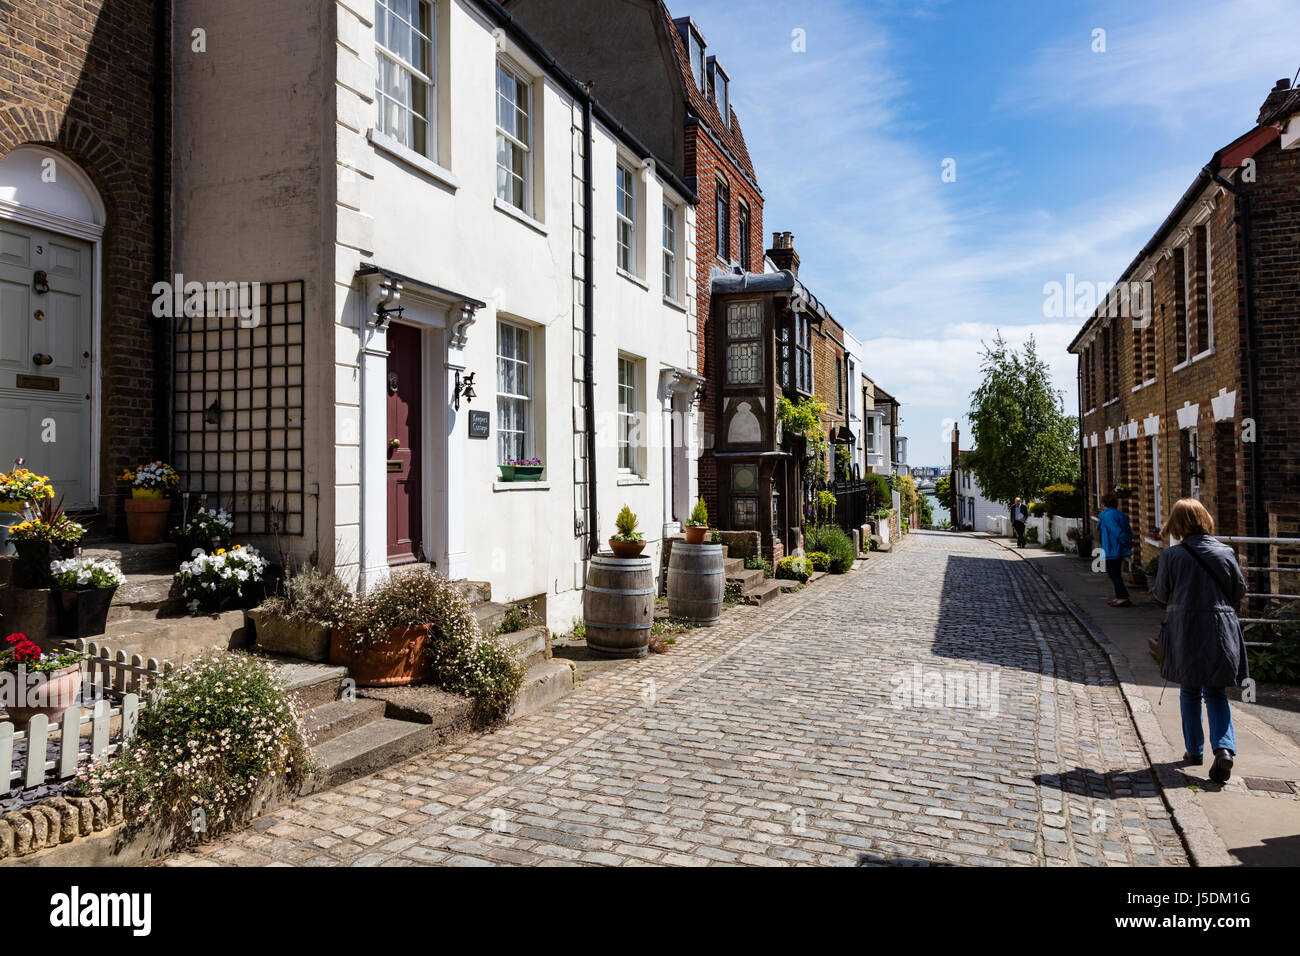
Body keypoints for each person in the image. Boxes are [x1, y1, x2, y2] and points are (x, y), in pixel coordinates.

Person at [1151, 498, 1247, 784]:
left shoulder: (1171, 556)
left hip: (1186, 628)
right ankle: (1225, 748)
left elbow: (1160, 593)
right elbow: (1239, 589)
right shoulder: (1225, 552)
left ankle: (1194, 751)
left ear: (1177, 524)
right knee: (1216, 692)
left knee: (1190, 690)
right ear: (1205, 518)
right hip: (1220, 627)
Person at [1097, 494, 1134, 607]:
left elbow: (1117, 532)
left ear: (1104, 504)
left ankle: (1123, 597)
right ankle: (1120, 596)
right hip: (1116, 549)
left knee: (1114, 574)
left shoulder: (1108, 516)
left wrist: (1125, 544)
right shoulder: (1118, 515)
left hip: (1112, 549)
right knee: (1115, 574)